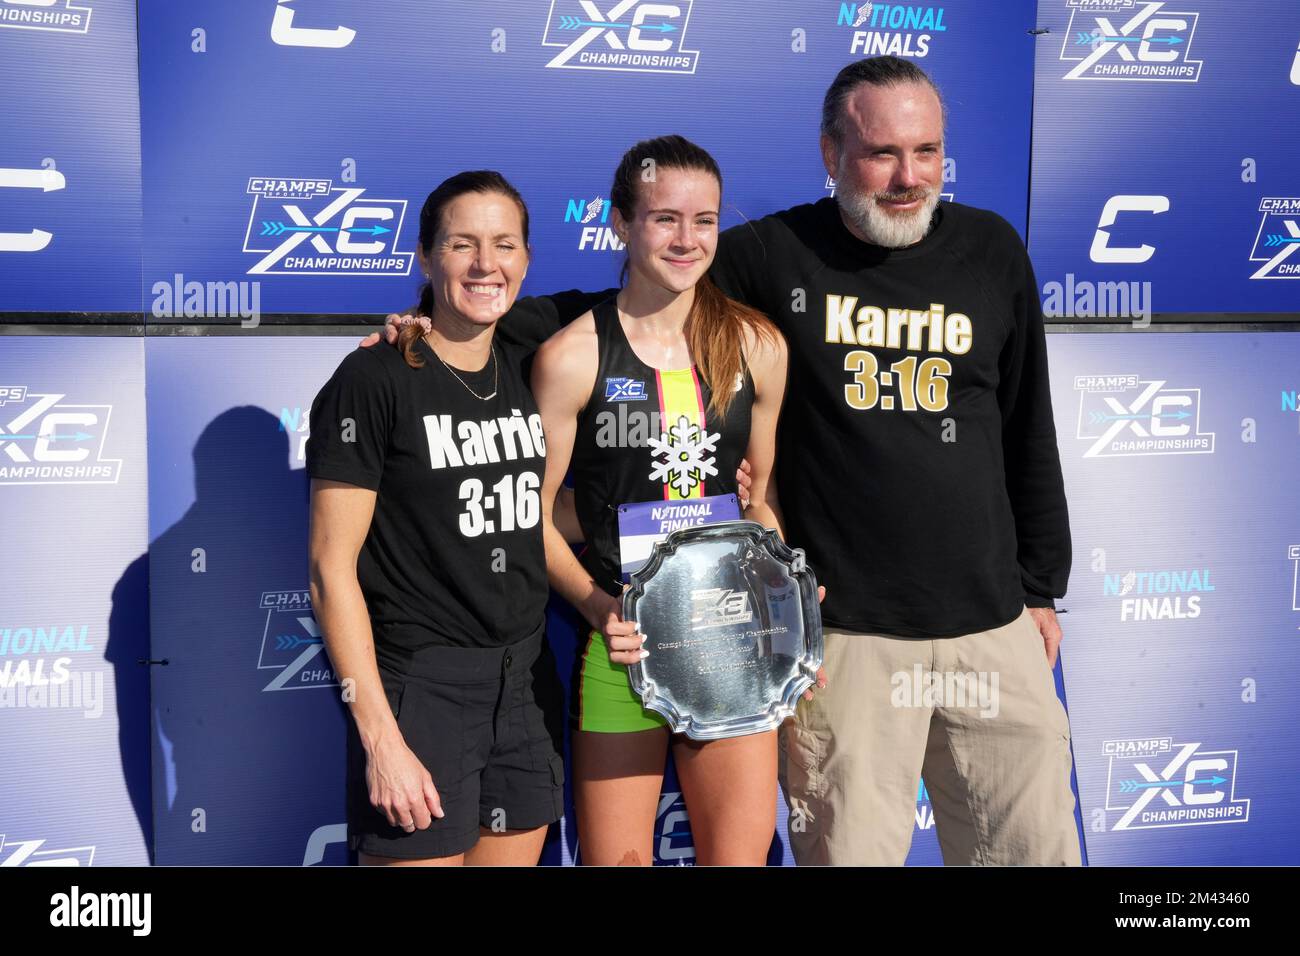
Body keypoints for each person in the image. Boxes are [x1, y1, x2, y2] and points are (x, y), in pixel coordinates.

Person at [367, 56, 1080, 867]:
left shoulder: (986, 251)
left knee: (1031, 851)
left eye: (927, 152)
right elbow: (630, 302)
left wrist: (1038, 587)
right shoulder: (774, 253)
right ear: (831, 153)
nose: (907, 176)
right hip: (819, 637)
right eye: (883, 153)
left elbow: (1028, 423)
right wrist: (441, 322)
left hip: (978, 626)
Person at [530, 135, 798, 866]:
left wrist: (789, 603)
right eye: (665, 219)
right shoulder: (572, 357)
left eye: (704, 220)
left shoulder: (757, 347)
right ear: (620, 223)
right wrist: (596, 606)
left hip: (733, 648)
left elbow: (762, 503)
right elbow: (532, 516)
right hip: (624, 650)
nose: (687, 239)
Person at [308, 171, 566, 865]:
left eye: (505, 244)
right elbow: (330, 572)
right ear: (425, 257)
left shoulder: (531, 347)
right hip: (420, 690)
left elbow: (650, 298)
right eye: (463, 244)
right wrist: (382, 739)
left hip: (526, 685)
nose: (487, 264)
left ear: (527, 260)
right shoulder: (373, 379)